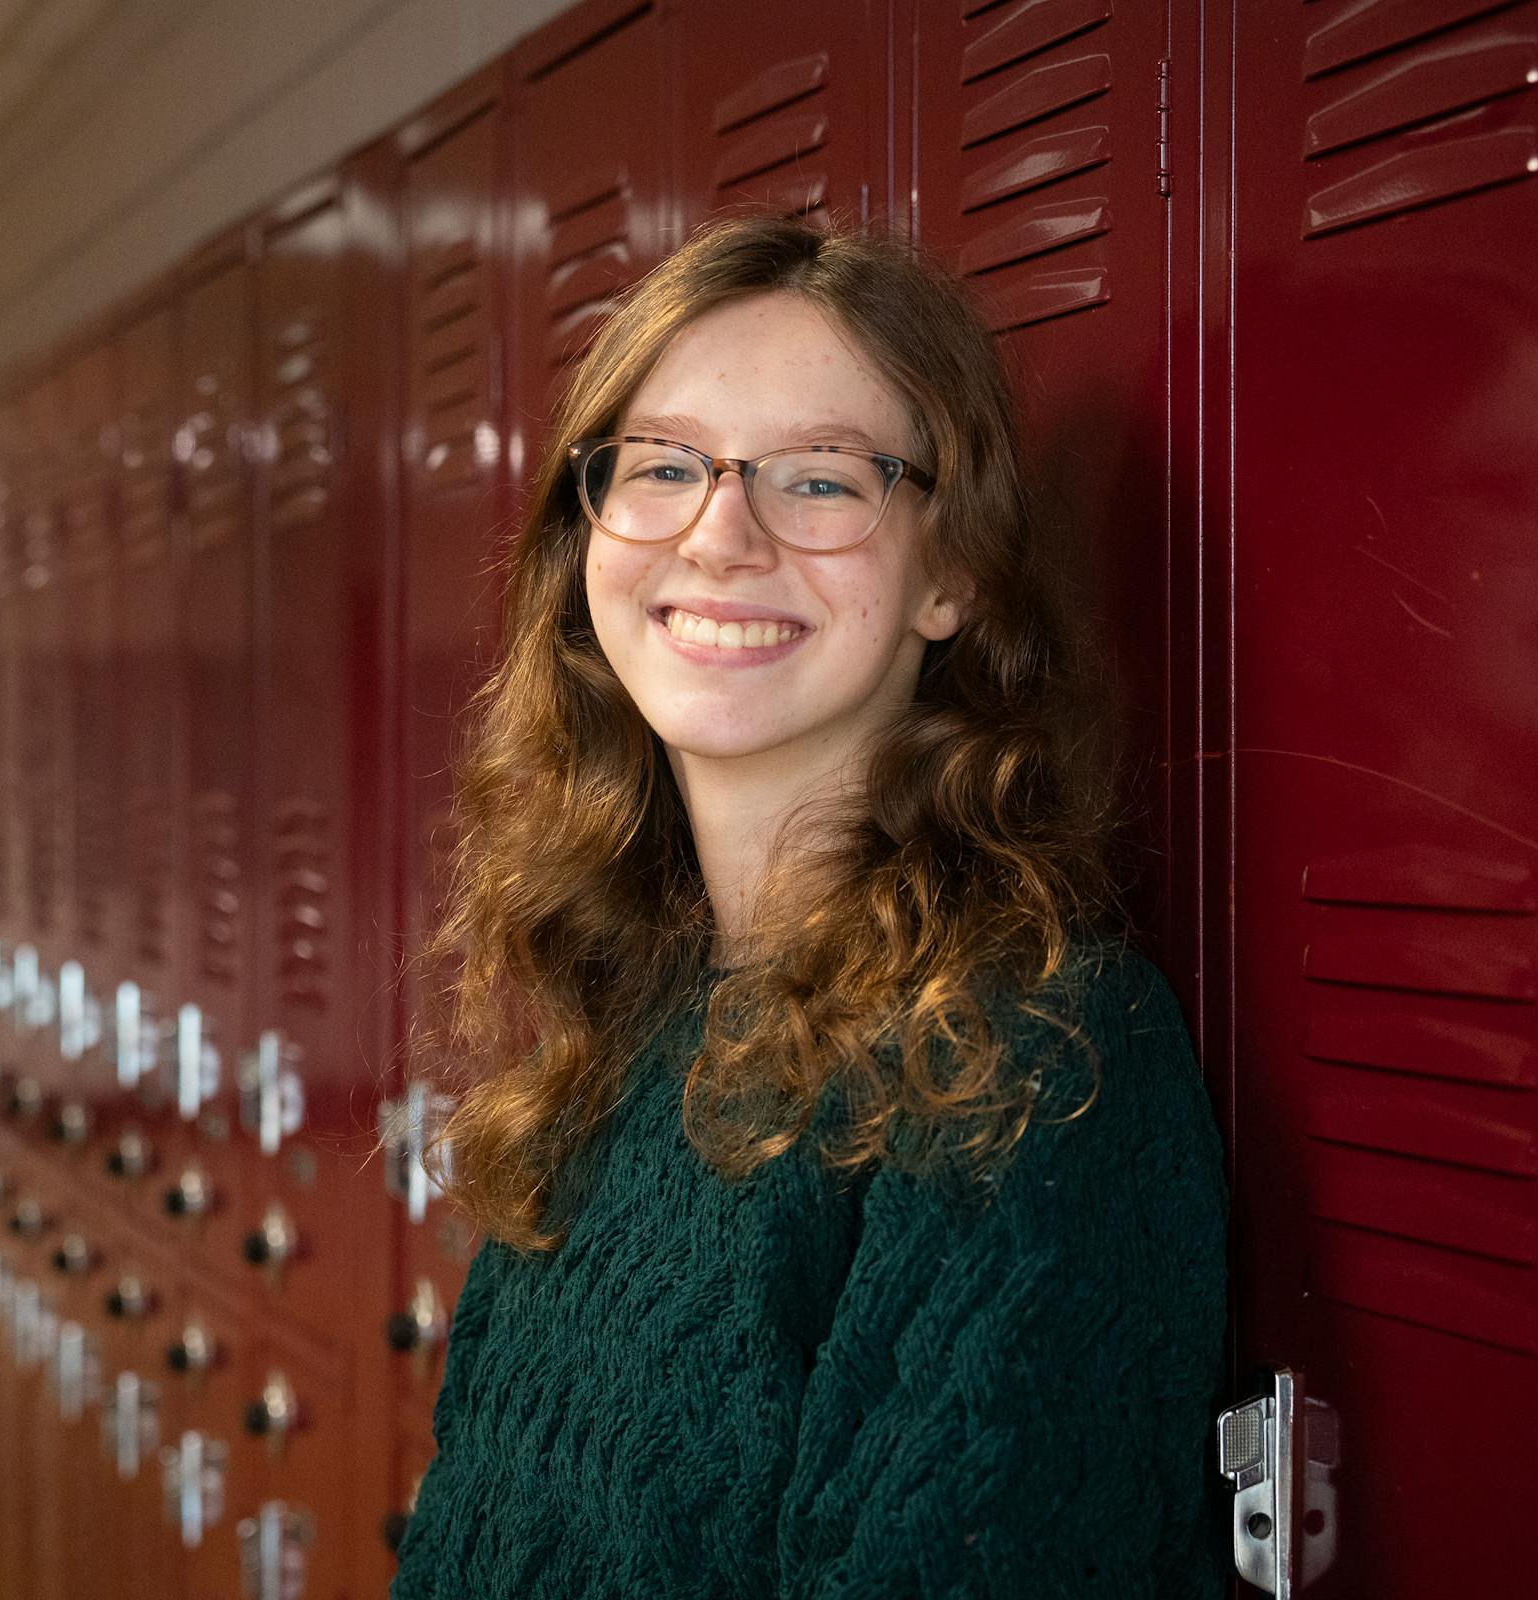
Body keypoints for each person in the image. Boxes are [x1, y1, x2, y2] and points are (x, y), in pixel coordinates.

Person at [389, 213, 1228, 1599]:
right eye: (662, 467)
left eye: (822, 483)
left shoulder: (1032, 1063)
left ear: (951, 573)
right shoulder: (634, 1025)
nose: (720, 535)